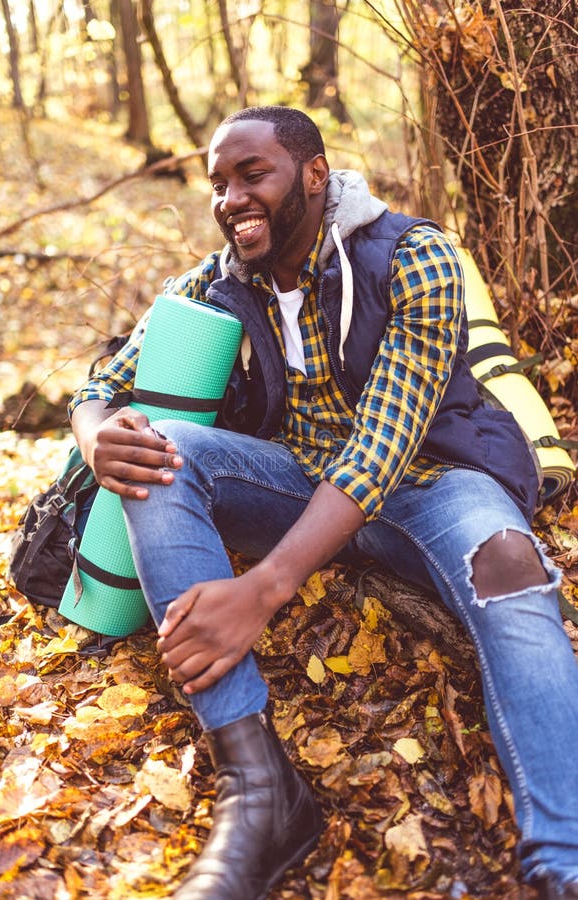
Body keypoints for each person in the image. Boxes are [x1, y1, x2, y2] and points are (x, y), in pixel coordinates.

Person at [68, 106, 578, 900]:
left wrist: (263, 590)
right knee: (157, 449)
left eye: (252, 175)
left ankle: (563, 856)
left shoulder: (416, 254)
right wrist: (97, 433)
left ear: (313, 174)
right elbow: (101, 382)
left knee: (512, 570)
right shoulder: (217, 282)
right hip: (294, 483)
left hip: (433, 482)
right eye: (217, 184)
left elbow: (384, 442)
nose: (230, 198)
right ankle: (262, 790)